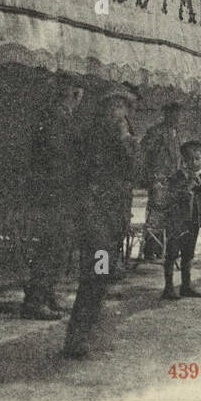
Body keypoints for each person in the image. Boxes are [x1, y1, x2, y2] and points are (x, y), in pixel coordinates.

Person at [63, 87, 139, 359]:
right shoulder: (96, 141)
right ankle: (78, 337)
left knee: (100, 277)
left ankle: (83, 335)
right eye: (118, 110)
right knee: (95, 275)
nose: (122, 116)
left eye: (124, 111)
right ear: (107, 111)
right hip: (96, 219)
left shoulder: (120, 142)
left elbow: (132, 169)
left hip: (110, 219)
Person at [21, 75, 84, 320]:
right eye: (76, 94)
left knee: (58, 246)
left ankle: (45, 294)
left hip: (59, 191)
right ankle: (36, 299)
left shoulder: (59, 116)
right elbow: (57, 156)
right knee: (51, 245)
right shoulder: (56, 118)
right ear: (74, 94)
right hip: (55, 192)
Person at [162, 140, 201, 299]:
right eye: (190, 159)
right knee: (172, 252)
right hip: (177, 219)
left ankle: (186, 285)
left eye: (197, 158)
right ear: (184, 160)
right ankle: (169, 287)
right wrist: (187, 187)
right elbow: (171, 195)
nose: (194, 162)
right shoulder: (179, 175)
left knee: (188, 253)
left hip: (194, 219)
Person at [140, 101, 186, 262]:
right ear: (167, 114)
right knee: (156, 213)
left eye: (178, 114)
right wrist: (150, 174)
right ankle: (149, 248)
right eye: (174, 114)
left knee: (170, 213)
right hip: (159, 177)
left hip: (173, 178)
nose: (177, 117)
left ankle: (162, 248)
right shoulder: (156, 132)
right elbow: (144, 151)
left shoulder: (176, 132)